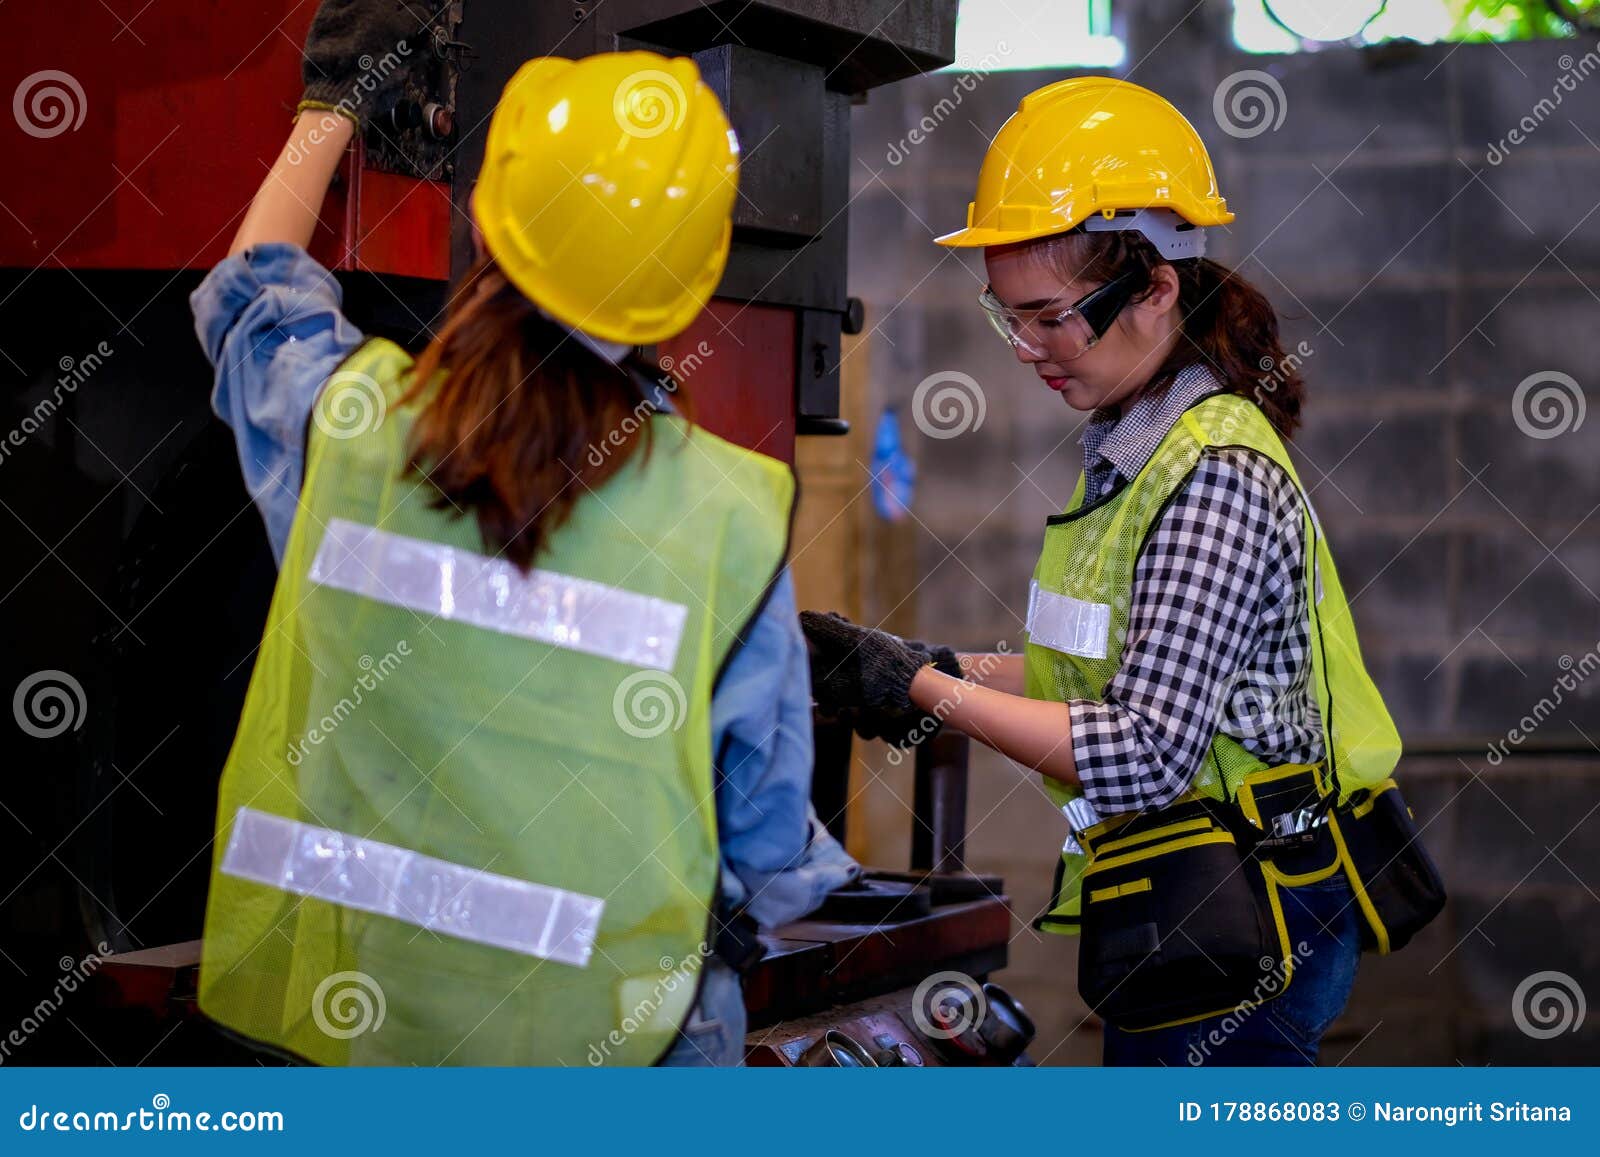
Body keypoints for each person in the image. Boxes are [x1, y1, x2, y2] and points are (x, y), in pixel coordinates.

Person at [191, 3, 855, 1067]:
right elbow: (768, 849)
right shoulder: (732, 519)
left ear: (489, 227)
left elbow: (252, 303)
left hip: (363, 1037)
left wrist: (330, 111)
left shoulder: (351, 432)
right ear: (685, 304)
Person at [801, 77, 1405, 1066]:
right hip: (1194, 906)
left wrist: (920, 689)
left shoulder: (1210, 474)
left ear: (1154, 287)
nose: (1027, 349)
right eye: (1008, 318)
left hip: (1248, 925)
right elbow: (1105, 673)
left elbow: (1142, 749)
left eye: (1049, 316)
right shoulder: (1132, 446)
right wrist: (929, 659)